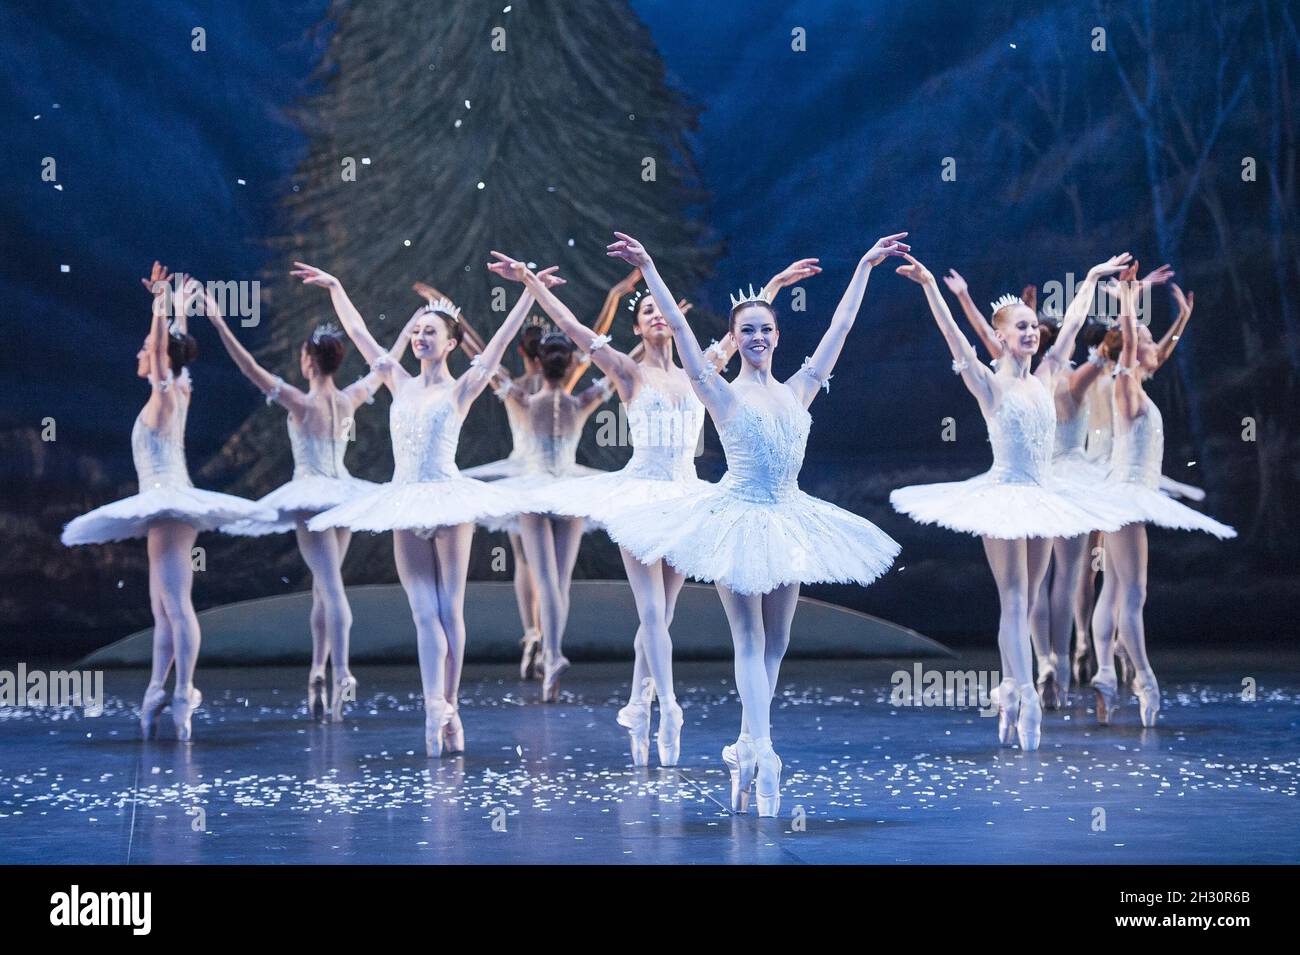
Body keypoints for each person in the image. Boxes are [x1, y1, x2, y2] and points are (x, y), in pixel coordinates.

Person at [601, 232, 906, 815]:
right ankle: (763, 752)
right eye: (748, 330)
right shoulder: (719, 391)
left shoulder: (799, 391)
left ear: (777, 335)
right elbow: (684, 335)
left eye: (767, 328)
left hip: (788, 519)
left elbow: (839, 330)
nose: (759, 337)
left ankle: (745, 744)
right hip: (735, 520)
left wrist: (864, 265)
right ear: (737, 340)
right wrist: (649, 267)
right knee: (749, 638)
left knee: (779, 641)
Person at [294, 261, 554, 755]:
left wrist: (528, 292)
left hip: (449, 500)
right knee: (422, 611)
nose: (419, 337)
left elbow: (497, 344)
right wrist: (336, 287)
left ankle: (447, 704)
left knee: (448, 609)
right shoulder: (396, 380)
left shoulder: (461, 388)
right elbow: (358, 332)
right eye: (416, 331)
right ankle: (436, 707)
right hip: (405, 500)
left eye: (429, 332)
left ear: (451, 343)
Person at [890, 252, 1131, 750]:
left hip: (1042, 497)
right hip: (1002, 495)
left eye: (1032, 327)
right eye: (1020, 328)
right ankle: (1024, 696)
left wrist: (1086, 279)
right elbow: (956, 338)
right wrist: (933, 287)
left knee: (1030, 596)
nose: (1031, 333)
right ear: (1000, 337)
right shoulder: (990, 384)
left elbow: (1072, 329)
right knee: (1016, 599)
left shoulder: (1047, 378)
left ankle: (1007, 685)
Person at [61, 264, 273, 740]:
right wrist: (175, 308)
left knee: (176, 605)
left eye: (145, 350)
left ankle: (184, 692)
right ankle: (158, 687)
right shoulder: (181, 386)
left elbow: (162, 348)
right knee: (163, 606)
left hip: (170, 504)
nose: (140, 352)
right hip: (163, 505)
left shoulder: (164, 397)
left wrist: (160, 304)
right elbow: (173, 346)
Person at [1090, 270, 1235, 726]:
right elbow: (1134, 346)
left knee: (1114, 589)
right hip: (1129, 500)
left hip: (1124, 496)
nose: (1154, 348)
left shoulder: (1135, 383)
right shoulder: (1125, 385)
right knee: (1133, 595)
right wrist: (1130, 306)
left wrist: (1181, 320)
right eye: (1145, 342)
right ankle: (1145, 680)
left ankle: (1106, 673)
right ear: (1131, 349)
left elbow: (1154, 353)